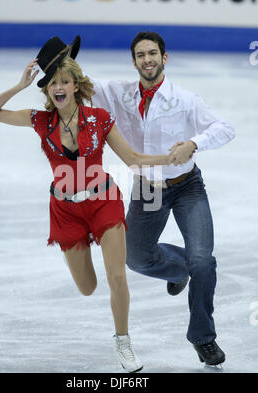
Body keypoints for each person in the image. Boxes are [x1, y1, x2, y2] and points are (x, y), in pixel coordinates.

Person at [0, 36, 177, 373]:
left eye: (65, 81)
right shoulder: (40, 121)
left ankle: (123, 341)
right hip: (66, 211)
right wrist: (18, 85)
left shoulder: (99, 118)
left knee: (117, 275)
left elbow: (131, 158)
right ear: (47, 90)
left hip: (104, 202)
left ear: (75, 86)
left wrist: (170, 157)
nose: (59, 87)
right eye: (53, 83)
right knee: (88, 288)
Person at [91, 31, 235, 366]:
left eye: (153, 53)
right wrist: (47, 65)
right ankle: (177, 271)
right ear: (134, 62)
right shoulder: (119, 93)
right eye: (141, 55)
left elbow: (225, 127)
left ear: (164, 57)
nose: (148, 60)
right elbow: (80, 81)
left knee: (203, 261)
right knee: (136, 258)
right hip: (147, 188)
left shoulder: (184, 99)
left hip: (187, 186)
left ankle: (203, 337)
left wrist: (194, 143)